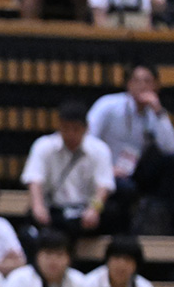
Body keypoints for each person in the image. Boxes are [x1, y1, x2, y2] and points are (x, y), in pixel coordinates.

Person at [87, 63, 174, 235]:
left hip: (134, 170)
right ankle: (123, 235)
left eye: (147, 81)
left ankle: (163, 225)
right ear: (128, 84)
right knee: (126, 189)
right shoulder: (108, 105)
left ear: (156, 86)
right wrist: (107, 168)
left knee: (171, 164)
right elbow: (87, 141)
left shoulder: (154, 114)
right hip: (106, 170)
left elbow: (171, 148)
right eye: (137, 80)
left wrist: (158, 110)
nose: (142, 85)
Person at [21, 100, 114, 244]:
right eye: (65, 128)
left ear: (86, 128)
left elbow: (103, 185)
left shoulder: (100, 150)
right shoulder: (43, 146)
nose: (70, 134)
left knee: (112, 213)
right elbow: (34, 179)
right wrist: (38, 206)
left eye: (75, 129)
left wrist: (94, 210)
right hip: (54, 210)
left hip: (84, 211)